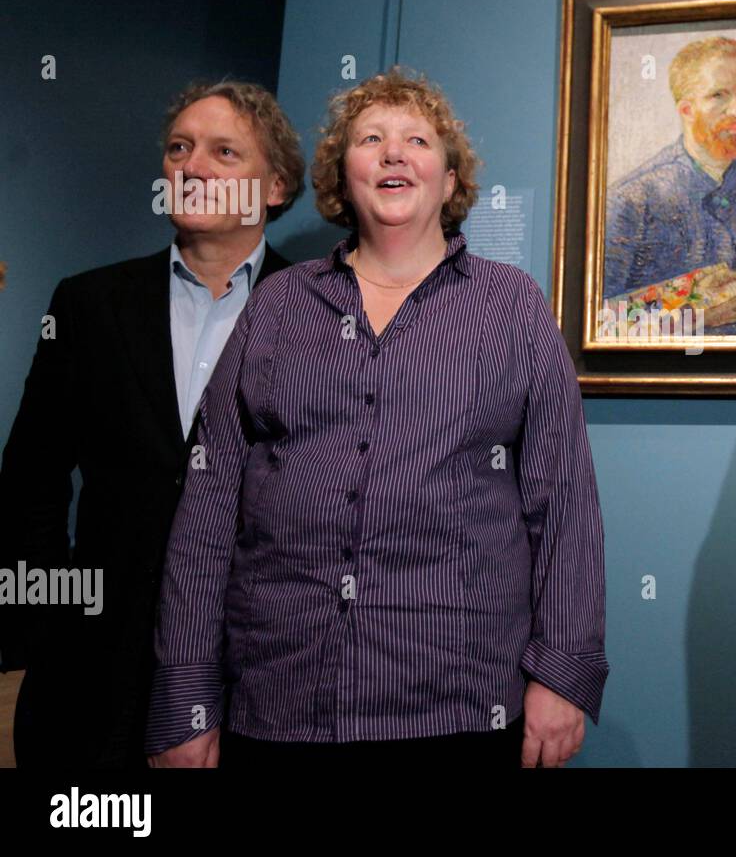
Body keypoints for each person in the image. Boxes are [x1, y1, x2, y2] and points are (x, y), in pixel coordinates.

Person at [145, 67, 608, 768]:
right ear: (342, 174)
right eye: (371, 138)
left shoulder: (512, 307)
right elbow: (208, 512)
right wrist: (186, 695)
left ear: (450, 181)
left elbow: (564, 503)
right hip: (280, 703)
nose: (393, 153)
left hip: (459, 704)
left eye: (417, 139)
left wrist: (562, 673)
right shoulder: (275, 307)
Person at [0, 80, 303, 767]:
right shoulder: (87, 303)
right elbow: (32, 477)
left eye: (224, 152)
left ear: (276, 185)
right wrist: (43, 621)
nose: (192, 167)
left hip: (249, 665)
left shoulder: (317, 315)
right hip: (90, 660)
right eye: (178, 148)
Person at [602, 37, 736, 335]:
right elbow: (598, 324)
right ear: (686, 109)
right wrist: (692, 313)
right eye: (719, 95)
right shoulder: (632, 200)